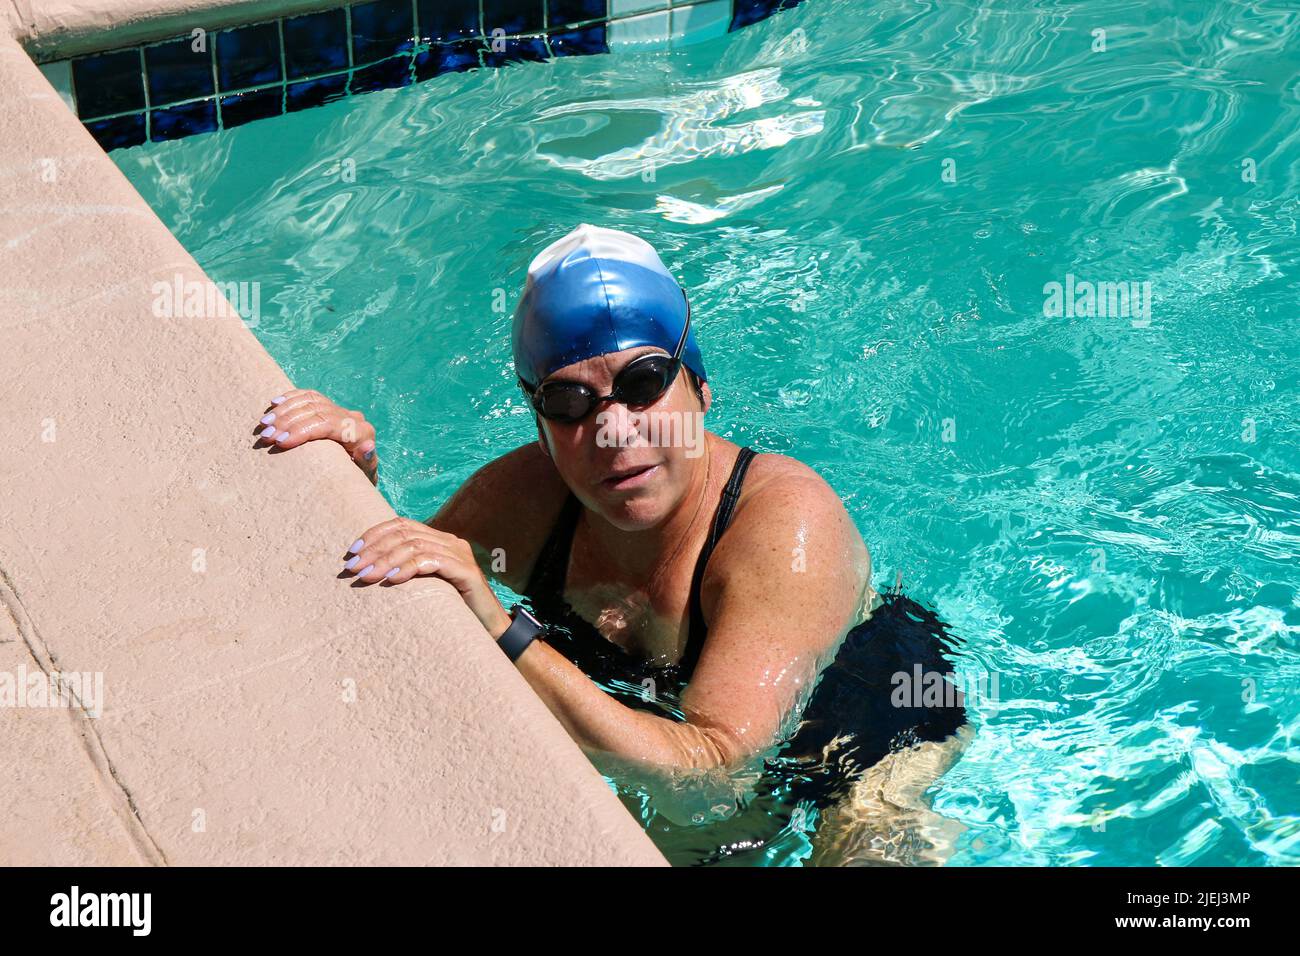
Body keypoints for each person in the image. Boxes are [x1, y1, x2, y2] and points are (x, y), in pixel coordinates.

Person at [252, 224, 968, 864]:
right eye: (569, 402)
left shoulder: (786, 528)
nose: (614, 432)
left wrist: (504, 633)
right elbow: (399, 587)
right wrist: (353, 476)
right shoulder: (529, 496)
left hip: (860, 746)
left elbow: (714, 774)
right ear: (537, 419)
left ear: (700, 385)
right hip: (672, 742)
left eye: (644, 382)